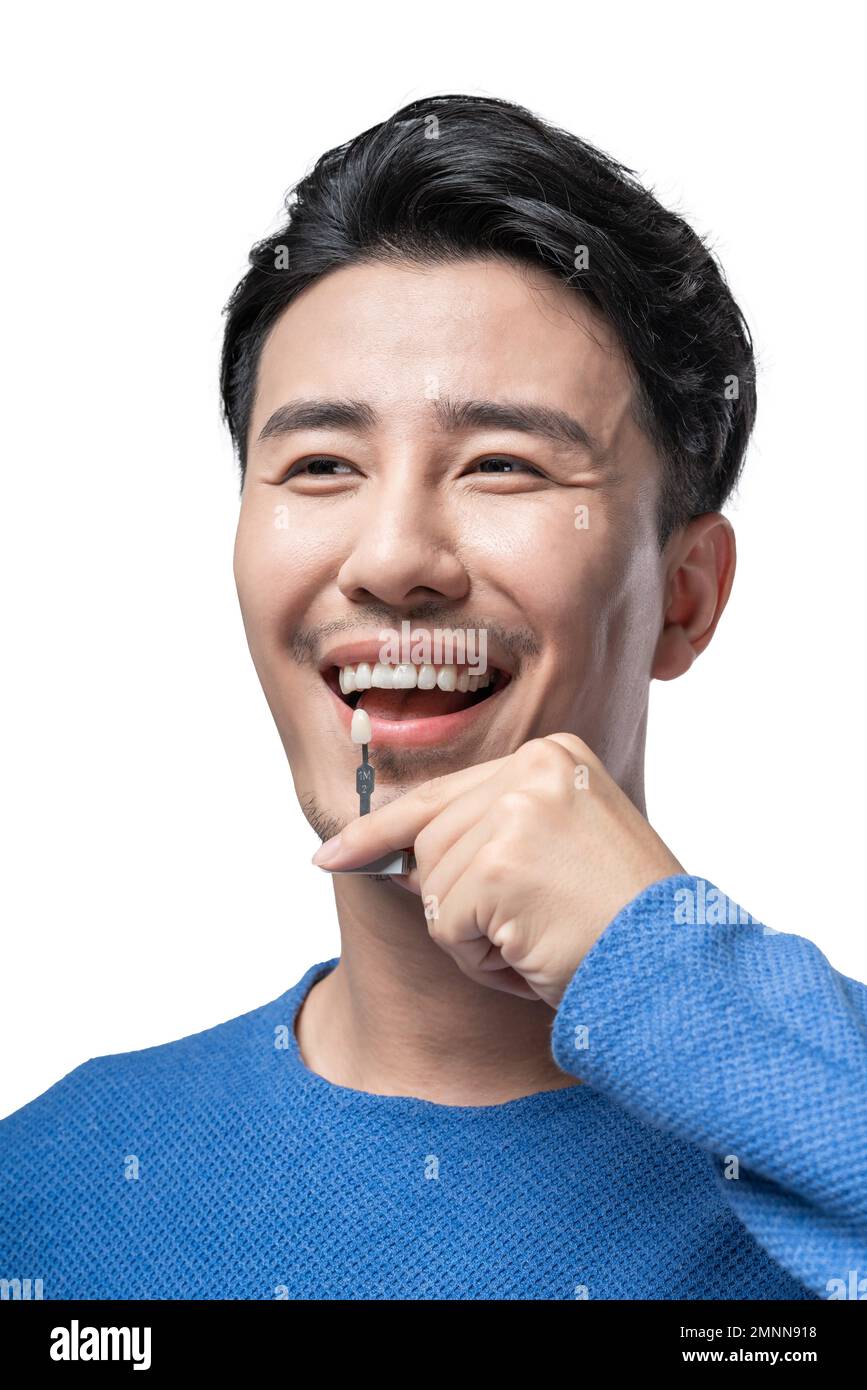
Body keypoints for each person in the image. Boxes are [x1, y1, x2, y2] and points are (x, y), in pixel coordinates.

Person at [2, 94, 865, 1302]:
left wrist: (668, 976)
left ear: (685, 595)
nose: (394, 554)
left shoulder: (833, 1114)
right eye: (320, 467)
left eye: (503, 464)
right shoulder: (47, 1195)